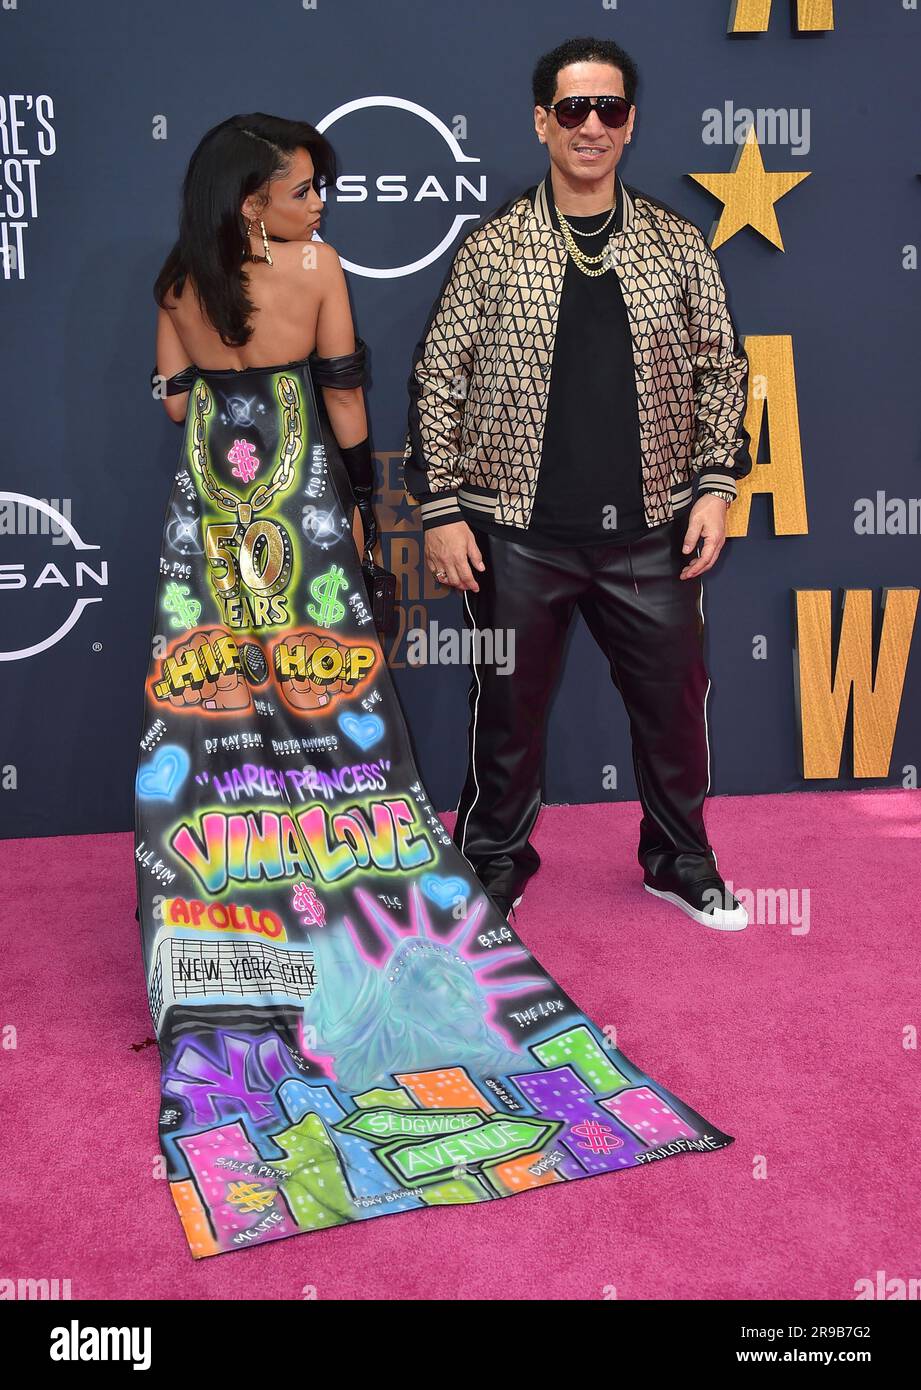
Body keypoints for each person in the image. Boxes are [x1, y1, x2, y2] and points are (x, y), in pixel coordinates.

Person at [136, 112, 733, 1261]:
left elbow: (170, 400)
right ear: (254, 199)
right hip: (301, 506)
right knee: (331, 698)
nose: (320, 210)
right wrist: (362, 498)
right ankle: (342, 864)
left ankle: (225, 880)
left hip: (208, 520)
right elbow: (348, 401)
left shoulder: (177, 278)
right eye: (305, 190)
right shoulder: (316, 272)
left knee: (211, 705)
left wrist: (215, 391)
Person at [403, 36, 752, 931]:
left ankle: (679, 862)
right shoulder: (491, 251)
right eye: (571, 110)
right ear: (540, 123)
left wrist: (714, 487)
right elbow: (438, 379)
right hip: (518, 535)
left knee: (675, 708)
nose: (590, 125)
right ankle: (492, 869)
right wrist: (440, 511)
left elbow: (722, 371)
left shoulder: (676, 246)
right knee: (506, 714)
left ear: (630, 124)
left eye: (607, 109)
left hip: (653, 531)